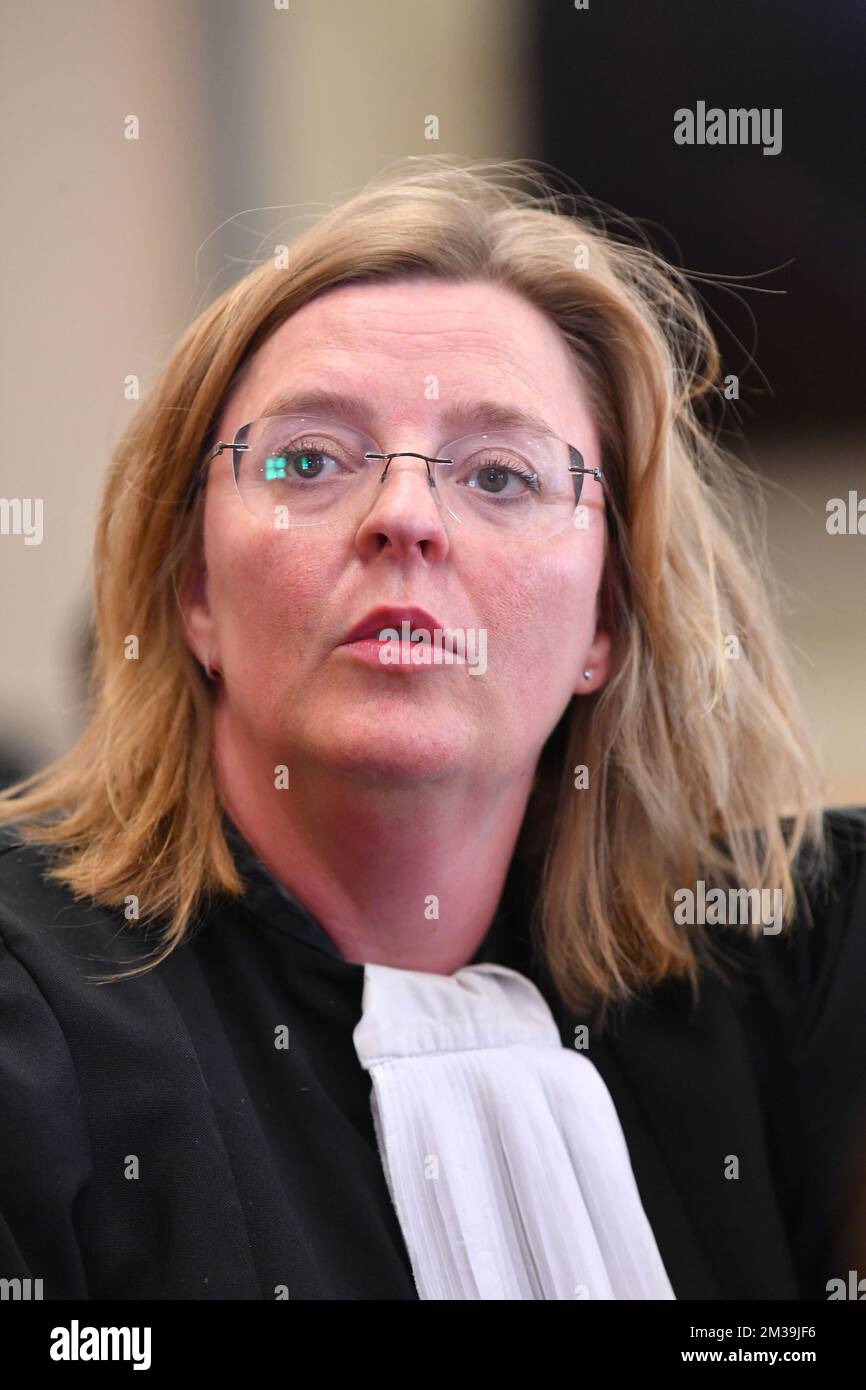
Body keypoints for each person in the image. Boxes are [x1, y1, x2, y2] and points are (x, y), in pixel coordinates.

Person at [0, 156, 863, 1301]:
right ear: (195, 592)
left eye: (500, 474)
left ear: (606, 614)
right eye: (307, 459)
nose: (402, 515)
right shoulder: (28, 1025)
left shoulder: (794, 981)